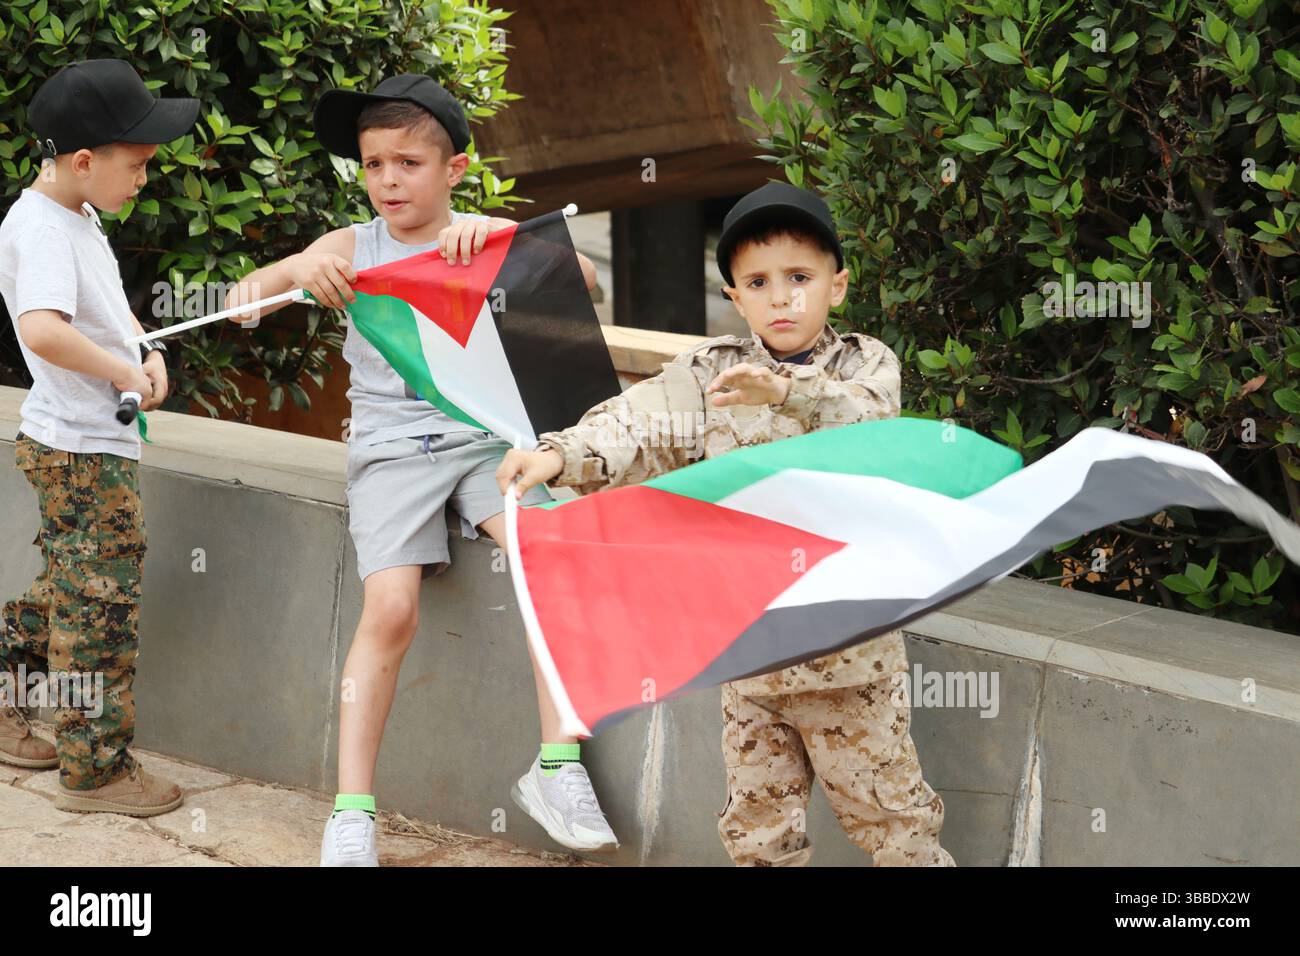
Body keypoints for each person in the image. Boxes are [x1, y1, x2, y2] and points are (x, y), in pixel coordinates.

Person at [498, 181, 955, 866]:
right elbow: (636, 424)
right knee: (757, 837)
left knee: (897, 830)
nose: (781, 296)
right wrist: (558, 454)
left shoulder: (865, 364)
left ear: (836, 285)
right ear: (736, 298)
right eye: (759, 281)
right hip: (749, 662)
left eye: (800, 277)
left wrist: (787, 390)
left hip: (850, 664)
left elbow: (870, 422)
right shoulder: (711, 373)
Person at [224, 74, 618, 865]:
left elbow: (587, 285)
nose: (388, 181)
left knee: (553, 563)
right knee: (393, 609)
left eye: (407, 163)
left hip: (485, 443)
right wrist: (295, 271)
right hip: (392, 451)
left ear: (455, 170)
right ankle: (353, 813)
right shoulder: (349, 247)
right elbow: (241, 303)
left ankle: (557, 767)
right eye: (373, 165)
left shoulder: (484, 234)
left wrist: (508, 246)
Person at [0, 60, 198, 816]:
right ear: (84, 161)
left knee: (73, 590)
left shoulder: (75, 219)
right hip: (81, 449)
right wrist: (121, 368)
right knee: (100, 614)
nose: (146, 177)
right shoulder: (43, 229)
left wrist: (145, 353)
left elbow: (108, 315)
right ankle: (95, 768)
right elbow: (43, 330)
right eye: (139, 164)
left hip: (83, 442)